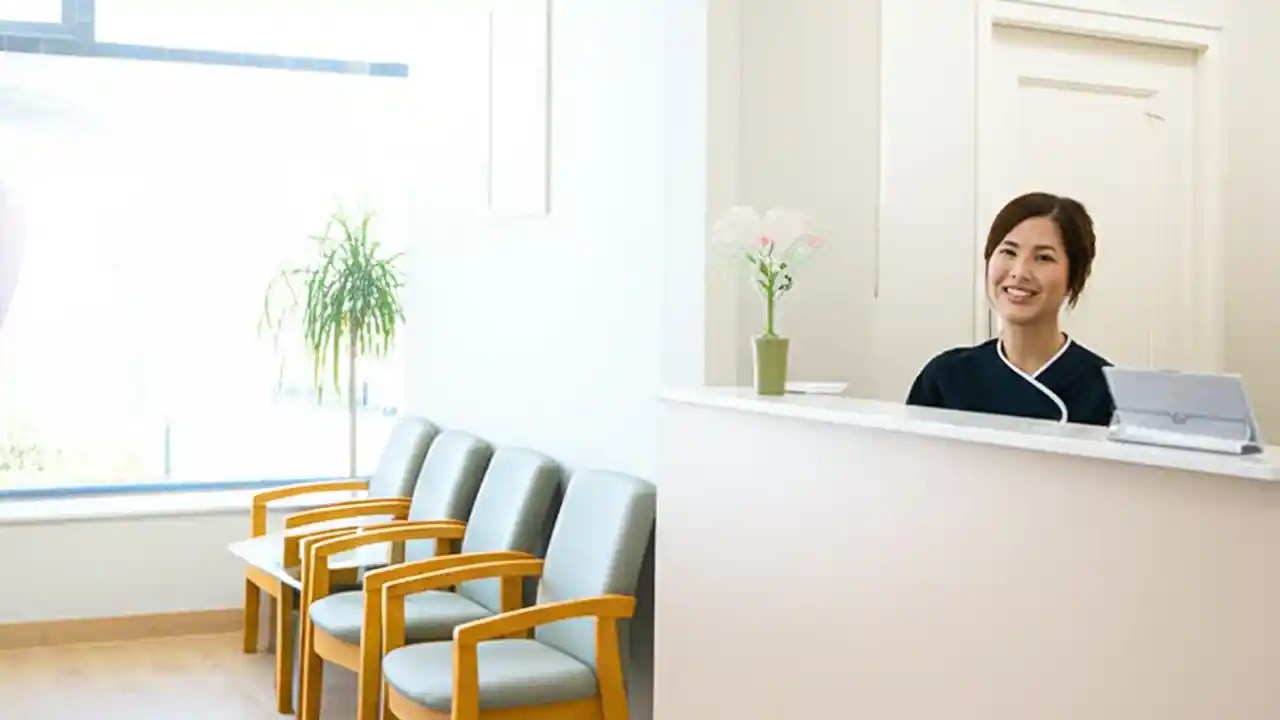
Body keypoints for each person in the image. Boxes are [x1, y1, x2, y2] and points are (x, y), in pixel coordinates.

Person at [906, 191, 1115, 426]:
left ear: (1073, 277)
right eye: (1008, 252)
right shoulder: (944, 378)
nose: (1019, 272)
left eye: (1043, 258)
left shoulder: (1109, 391)